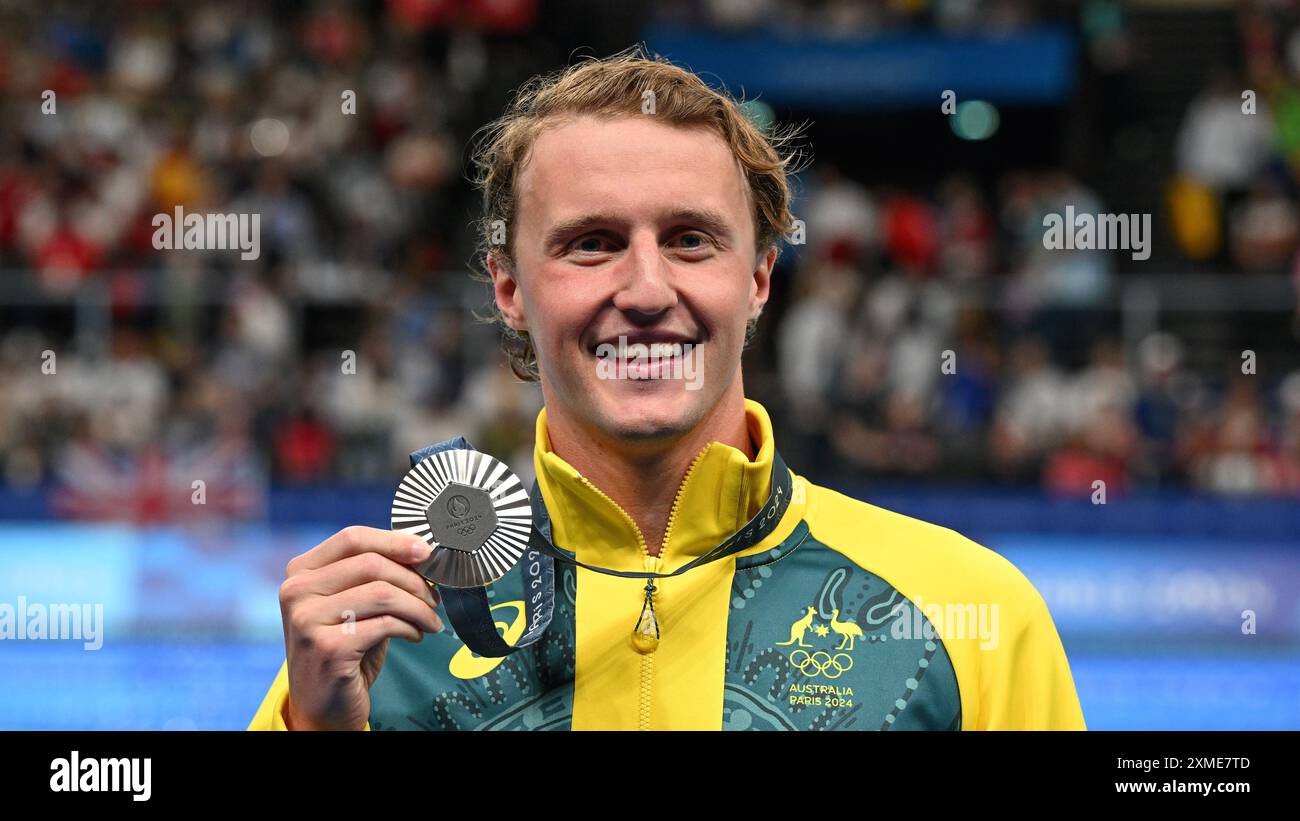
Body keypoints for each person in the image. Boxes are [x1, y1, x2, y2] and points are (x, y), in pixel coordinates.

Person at [249, 49, 1085, 731]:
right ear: (508, 288)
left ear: (759, 277)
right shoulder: (382, 637)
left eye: (690, 239)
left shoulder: (969, 614)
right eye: (591, 243)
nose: (646, 289)